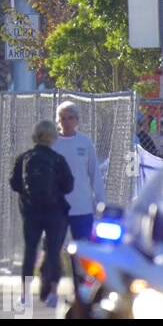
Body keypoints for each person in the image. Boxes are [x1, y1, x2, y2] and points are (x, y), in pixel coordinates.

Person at [9, 120, 74, 307]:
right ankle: (53, 294)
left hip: (31, 213)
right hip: (55, 213)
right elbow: (69, 186)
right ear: (53, 137)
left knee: (30, 251)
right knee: (53, 252)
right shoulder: (58, 159)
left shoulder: (24, 158)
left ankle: (25, 294)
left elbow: (14, 184)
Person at [52, 101, 104, 241]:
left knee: (83, 253)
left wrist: (101, 202)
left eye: (70, 118)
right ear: (58, 121)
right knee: (53, 250)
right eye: (63, 118)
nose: (67, 122)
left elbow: (95, 175)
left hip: (82, 208)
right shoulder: (53, 144)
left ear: (76, 120)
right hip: (57, 208)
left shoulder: (85, 143)